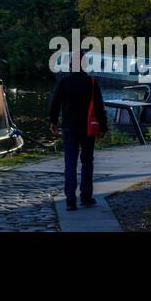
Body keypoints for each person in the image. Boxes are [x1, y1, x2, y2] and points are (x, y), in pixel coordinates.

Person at [48, 53, 108, 211]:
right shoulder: (92, 83)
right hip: (88, 128)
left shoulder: (64, 82)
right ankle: (86, 197)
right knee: (87, 162)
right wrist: (103, 127)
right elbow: (99, 107)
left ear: (70, 66)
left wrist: (53, 122)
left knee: (70, 163)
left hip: (69, 128)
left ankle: (70, 200)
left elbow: (55, 103)